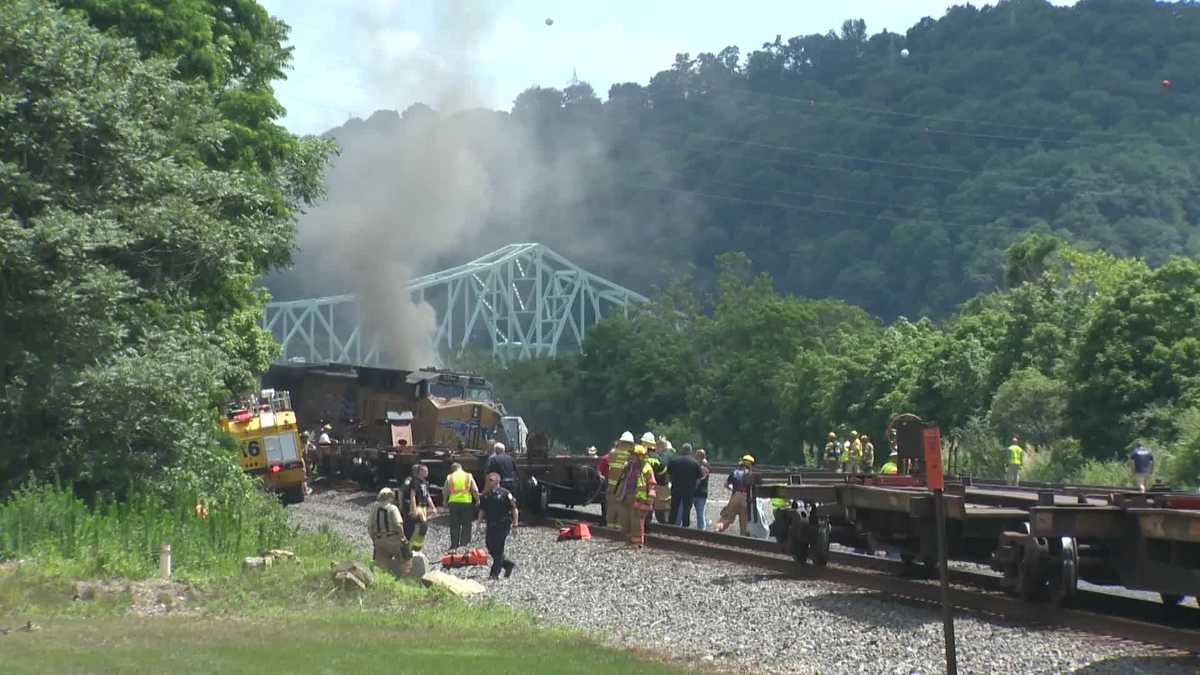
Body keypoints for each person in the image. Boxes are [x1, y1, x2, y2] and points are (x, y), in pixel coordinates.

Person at [477, 472, 518, 579]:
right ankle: (507, 564)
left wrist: (515, 525)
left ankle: (494, 574)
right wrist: (479, 522)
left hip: (503, 525)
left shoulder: (505, 493)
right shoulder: (486, 494)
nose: (488, 482)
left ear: (497, 481)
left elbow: (514, 509)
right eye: (488, 480)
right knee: (490, 546)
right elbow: (482, 509)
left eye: (491, 480)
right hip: (491, 525)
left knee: (499, 549)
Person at [615, 444, 656, 547]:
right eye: (631, 455)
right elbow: (621, 481)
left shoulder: (646, 468)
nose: (632, 457)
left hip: (638, 499)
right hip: (625, 496)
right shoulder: (628, 467)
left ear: (640, 456)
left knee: (636, 523)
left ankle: (637, 544)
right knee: (624, 521)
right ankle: (629, 541)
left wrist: (650, 496)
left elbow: (652, 484)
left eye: (634, 455)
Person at [367, 487, 410, 578]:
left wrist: (374, 540)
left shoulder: (374, 508)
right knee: (406, 559)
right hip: (393, 540)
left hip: (379, 540)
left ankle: (384, 580)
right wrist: (403, 538)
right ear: (390, 497)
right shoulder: (392, 508)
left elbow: (370, 527)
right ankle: (403, 579)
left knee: (382, 565)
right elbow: (398, 525)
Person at [716, 455, 757, 535]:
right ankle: (743, 542)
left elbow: (726, 485)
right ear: (751, 465)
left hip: (735, 497)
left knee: (725, 518)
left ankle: (716, 532)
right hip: (746, 499)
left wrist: (733, 490)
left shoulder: (734, 472)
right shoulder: (752, 475)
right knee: (744, 524)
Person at [400, 464, 437, 551]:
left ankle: (416, 547)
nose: (427, 473)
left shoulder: (425, 483)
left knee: (422, 527)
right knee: (412, 527)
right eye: (425, 471)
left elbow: (427, 495)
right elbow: (410, 495)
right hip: (415, 506)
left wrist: (433, 507)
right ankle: (407, 547)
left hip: (422, 507)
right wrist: (413, 508)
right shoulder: (412, 481)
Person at [443, 462, 479, 550]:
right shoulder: (468, 476)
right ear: (461, 467)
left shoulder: (450, 477)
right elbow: (474, 489)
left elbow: (445, 491)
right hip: (466, 503)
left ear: (453, 469)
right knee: (466, 525)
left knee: (454, 524)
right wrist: (477, 500)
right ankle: (464, 544)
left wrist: (444, 501)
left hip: (453, 503)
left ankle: (454, 544)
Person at [604, 432, 636, 527]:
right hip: (622, 486)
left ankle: (610, 525)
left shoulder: (612, 453)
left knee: (611, 506)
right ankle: (619, 526)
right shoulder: (630, 456)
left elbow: (609, 465)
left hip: (611, 485)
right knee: (621, 507)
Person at [667, 443, 702, 527]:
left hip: (676, 487)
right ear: (690, 451)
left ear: (682, 450)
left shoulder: (674, 461)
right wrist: (694, 487)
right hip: (689, 489)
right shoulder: (695, 463)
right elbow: (698, 479)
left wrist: (672, 482)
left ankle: (671, 525)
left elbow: (668, 475)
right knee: (687, 509)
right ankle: (685, 527)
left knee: (674, 507)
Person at [693, 449, 710, 530]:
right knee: (700, 513)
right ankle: (701, 530)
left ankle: (701, 530)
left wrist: (693, 487)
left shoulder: (702, 466)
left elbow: (699, 480)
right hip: (703, 492)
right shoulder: (706, 465)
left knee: (699, 513)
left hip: (697, 492)